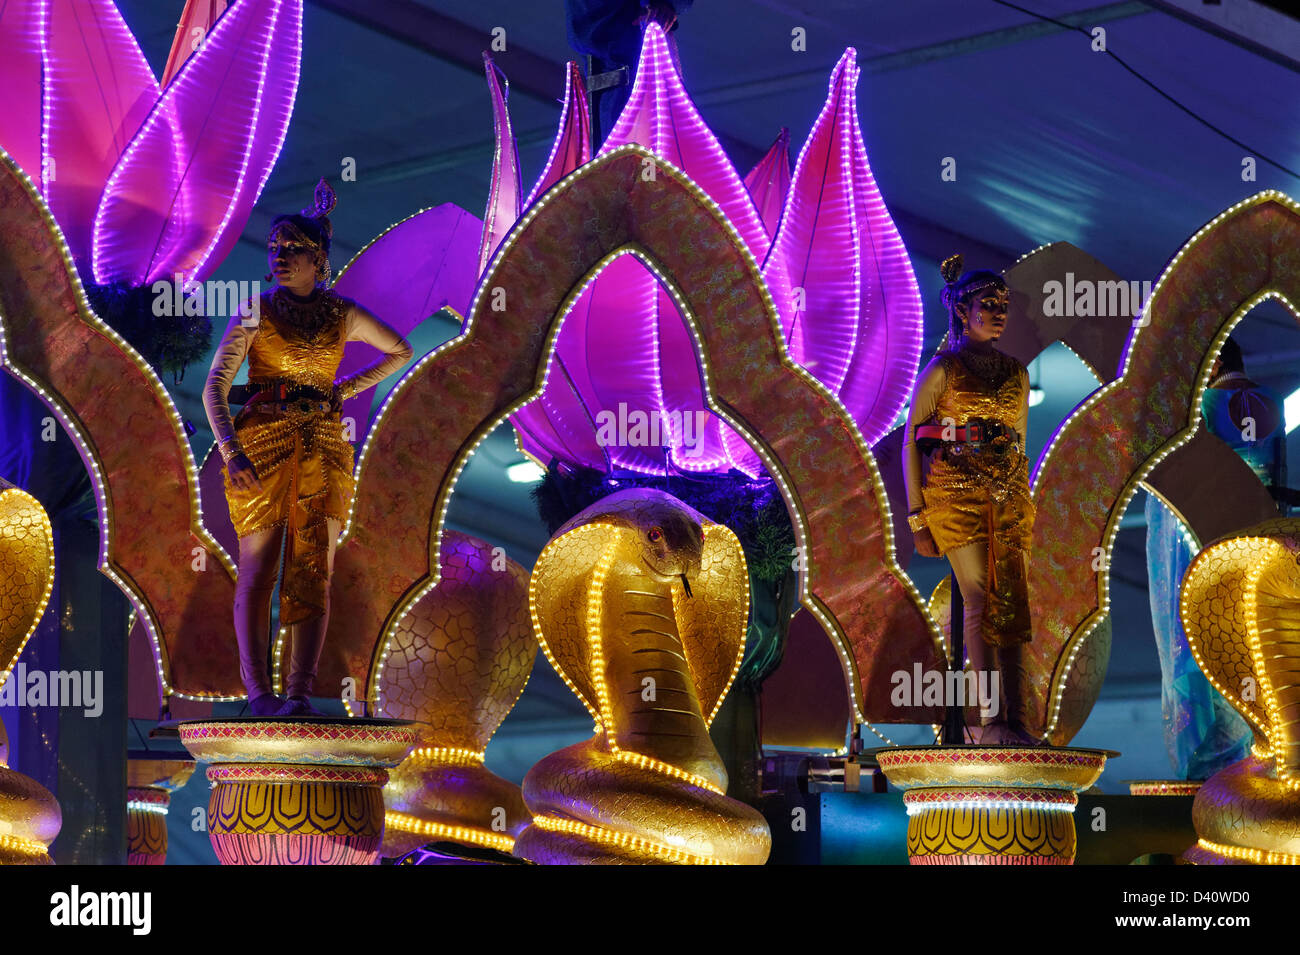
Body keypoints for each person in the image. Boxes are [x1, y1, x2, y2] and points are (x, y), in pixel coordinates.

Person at [202, 180, 413, 717]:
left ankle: (298, 693)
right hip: (261, 443)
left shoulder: (341, 313)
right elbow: (214, 387)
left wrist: (344, 389)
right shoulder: (255, 311)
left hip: (321, 445)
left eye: (292, 248)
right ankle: (259, 694)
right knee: (259, 570)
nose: (278, 256)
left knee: (313, 569)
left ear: (318, 259)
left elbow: (400, 350)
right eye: (274, 248)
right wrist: (231, 451)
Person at [903, 255, 1037, 745]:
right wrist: (916, 517)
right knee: (979, 598)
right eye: (989, 304)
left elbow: (1020, 441)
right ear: (962, 310)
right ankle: (991, 721)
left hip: (1007, 496)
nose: (999, 312)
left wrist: (1019, 495)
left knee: (1013, 602)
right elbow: (913, 440)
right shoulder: (944, 368)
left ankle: (1018, 722)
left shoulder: (1016, 372)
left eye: (1004, 304)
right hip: (955, 492)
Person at [1144, 334, 1284, 778]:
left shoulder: (1198, 410)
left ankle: (1207, 768)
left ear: (1215, 357)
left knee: (1199, 649)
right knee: (1252, 648)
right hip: (1261, 545)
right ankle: (1255, 756)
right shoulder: (1272, 402)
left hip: (1203, 544)